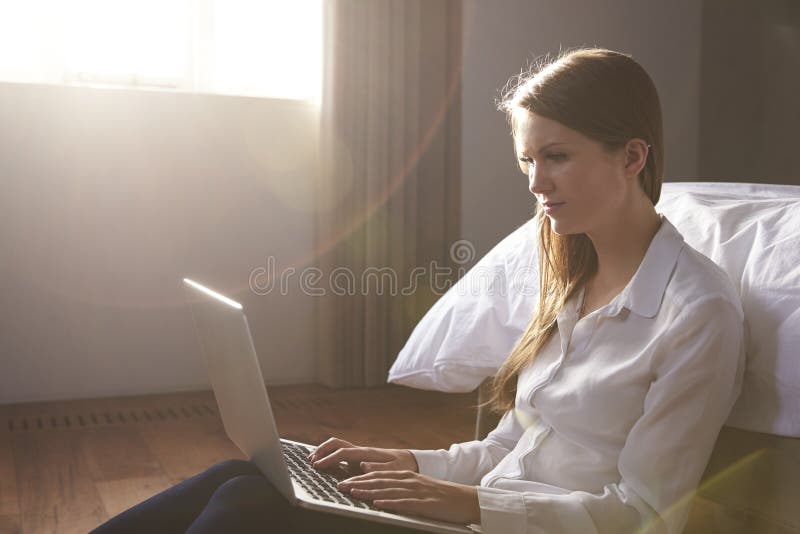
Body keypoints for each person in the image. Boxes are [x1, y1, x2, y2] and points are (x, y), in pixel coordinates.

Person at [91, 48, 745, 534]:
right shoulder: (572, 282)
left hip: (500, 526)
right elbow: (504, 451)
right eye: (527, 160)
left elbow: (645, 514)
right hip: (471, 515)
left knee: (244, 506)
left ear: (632, 157)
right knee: (246, 475)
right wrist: (401, 460)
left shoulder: (698, 314)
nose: (536, 182)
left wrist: (469, 505)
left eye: (558, 156)